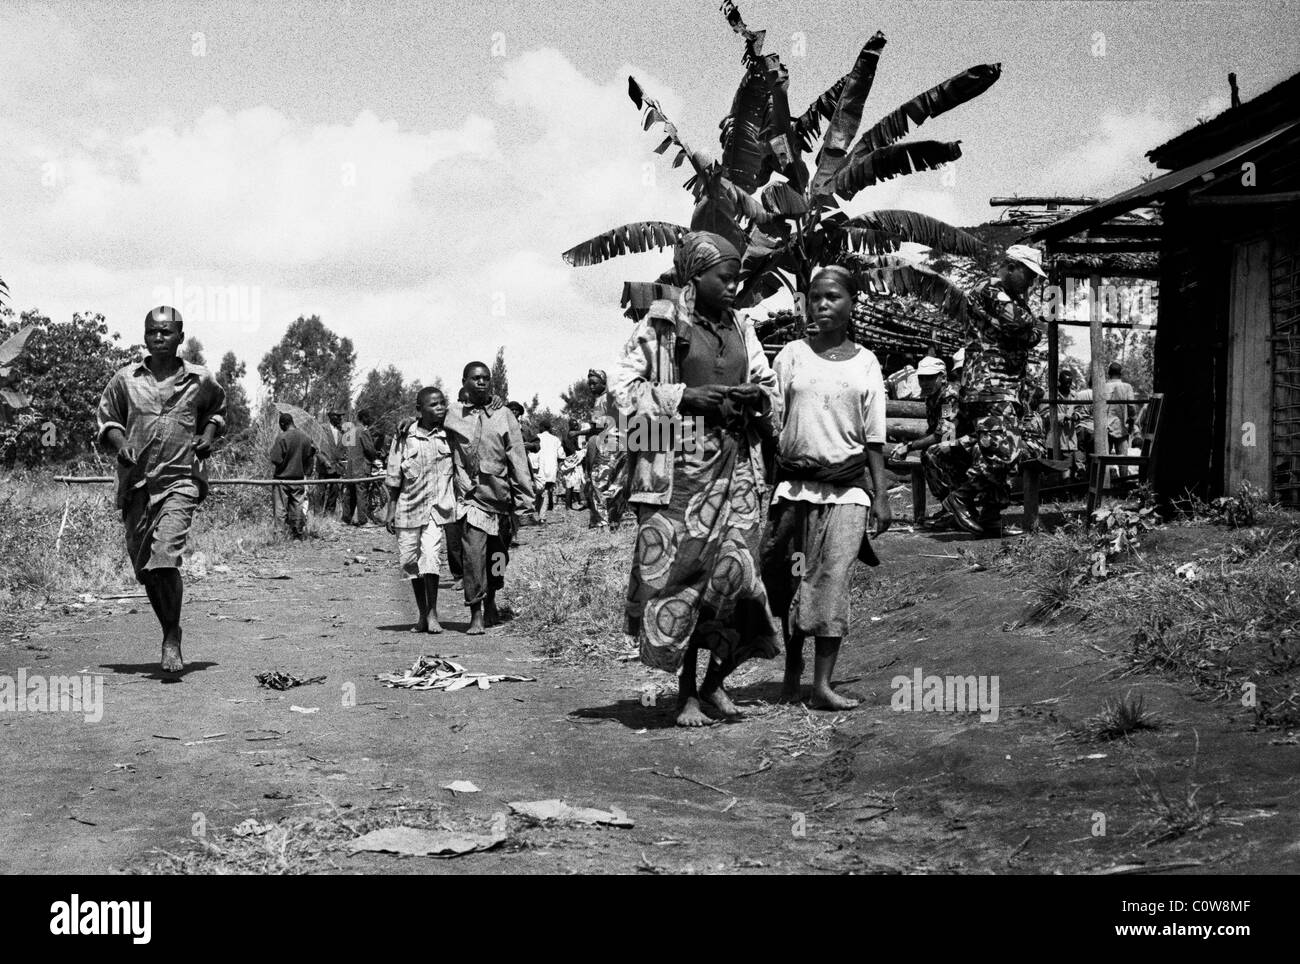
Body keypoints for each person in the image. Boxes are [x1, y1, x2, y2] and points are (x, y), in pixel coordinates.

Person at [612, 230, 782, 727]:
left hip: (739, 465)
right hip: (681, 473)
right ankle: (686, 692)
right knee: (684, 578)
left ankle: (714, 683)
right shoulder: (661, 326)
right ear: (696, 276)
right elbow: (623, 399)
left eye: (736, 278)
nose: (733, 287)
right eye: (724, 278)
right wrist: (685, 398)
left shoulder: (742, 327)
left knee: (736, 574)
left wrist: (757, 397)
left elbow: (770, 384)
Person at [761, 266, 891, 710]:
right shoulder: (791, 356)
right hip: (795, 489)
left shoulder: (866, 362)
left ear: (851, 303)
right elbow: (771, 421)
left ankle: (822, 685)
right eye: (815, 297)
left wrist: (881, 495)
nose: (822, 304)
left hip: (848, 490)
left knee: (833, 579)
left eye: (832, 297)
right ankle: (792, 670)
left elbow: (874, 436)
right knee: (793, 577)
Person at [96, 306, 226, 673]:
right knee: (146, 570)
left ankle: (171, 638)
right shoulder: (125, 379)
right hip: (137, 484)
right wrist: (121, 444)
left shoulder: (200, 380)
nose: (158, 338)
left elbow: (216, 412)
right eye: (152, 331)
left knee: (165, 557)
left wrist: (207, 436)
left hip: (180, 480)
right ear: (145, 335)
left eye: (166, 332)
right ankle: (171, 626)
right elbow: (108, 420)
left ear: (180, 337)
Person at [941, 244, 1048, 535]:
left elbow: (1031, 335)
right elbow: (1021, 323)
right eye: (1028, 274)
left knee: (1000, 452)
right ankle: (960, 498)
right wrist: (1027, 329)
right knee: (1004, 452)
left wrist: (1027, 331)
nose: (1032, 281)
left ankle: (990, 517)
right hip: (989, 384)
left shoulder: (1013, 297)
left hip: (1006, 387)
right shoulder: (988, 288)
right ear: (1011, 266)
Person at [444, 362, 535, 634]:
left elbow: (518, 459)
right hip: (471, 498)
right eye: (475, 378)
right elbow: (428, 420)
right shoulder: (453, 413)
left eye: (486, 378)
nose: (481, 382)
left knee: (498, 556)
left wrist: (525, 503)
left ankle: (493, 599)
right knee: (472, 556)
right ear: (464, 382)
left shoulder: (505, 414)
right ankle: (476, 610)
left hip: (501, 499)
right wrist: (407, 423)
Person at [384, 386, 455, 634]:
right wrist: (391, 509)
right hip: (408, 508)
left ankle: (434, 614)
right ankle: (422, 614)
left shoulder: (449, 432)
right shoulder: (404, 436)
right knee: (411, 563)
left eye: (442, 403)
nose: (440, 408)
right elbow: (394, 475)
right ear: (419, 410)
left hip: (437, 509)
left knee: (432, 560)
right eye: (433, 405)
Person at [579, 369, 628, 530]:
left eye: (594, 383)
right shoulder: (617, 398)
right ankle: (615, 521)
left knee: (598, 484)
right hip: (624, 444)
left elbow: (597, 428)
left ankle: (601, 522)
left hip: (609, 444)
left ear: (603, 383)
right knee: (617, 484)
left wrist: (578, 433)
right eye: (589, 384)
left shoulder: (601, 400)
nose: (591, 387)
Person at [889, 355, 950, 465]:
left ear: (943, 378)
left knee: (935, 453)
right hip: (949, 439)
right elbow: (932, 430)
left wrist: (909, 446)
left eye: (930, 377)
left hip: (964, 440)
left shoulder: (949, 398)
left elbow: (945, 434)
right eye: (921, 378)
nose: (925, 383)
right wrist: (906, 444)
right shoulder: (931, 398)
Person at [269, 411, 316, 540]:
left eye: (280, 425)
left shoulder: (282, 437)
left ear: (283, 424)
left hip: (281, 479)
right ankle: (297, 534)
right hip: (298, 478)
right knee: (297, 506)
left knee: (280, 509)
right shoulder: (306, 438)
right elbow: (309, 460)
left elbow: (275, 459)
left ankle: (279, 536)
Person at [341, 409, 379, 526]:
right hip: (361, 468)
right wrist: (374, 457)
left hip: (351, 469)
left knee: (350, 494)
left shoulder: (351, 431)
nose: (370, 419)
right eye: (368, 417)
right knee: (362, 493)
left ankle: (346, 518)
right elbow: (369, 449)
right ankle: (362, 520)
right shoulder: (363, 431)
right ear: (363, 418)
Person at [313, 407, 346, 517]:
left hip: (337, 467)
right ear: (331, 417)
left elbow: (345, 448)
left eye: (341, 416)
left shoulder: (342, 431)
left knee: (334, 492)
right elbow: (316, 448)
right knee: (321, 491)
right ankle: (317, 516)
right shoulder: (322, 429)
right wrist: (324, 460)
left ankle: (329, 516)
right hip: (324, 466)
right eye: (338, 416)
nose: (340, 418)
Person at [533, 417, 563, 523]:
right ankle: (542, 516)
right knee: (545, 491)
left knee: (537, 492)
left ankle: (538, 515)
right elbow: (561, 455)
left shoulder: (536, 437)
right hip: (551, 470)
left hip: (538, 468)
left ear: (541, 427)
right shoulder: (556, 440)